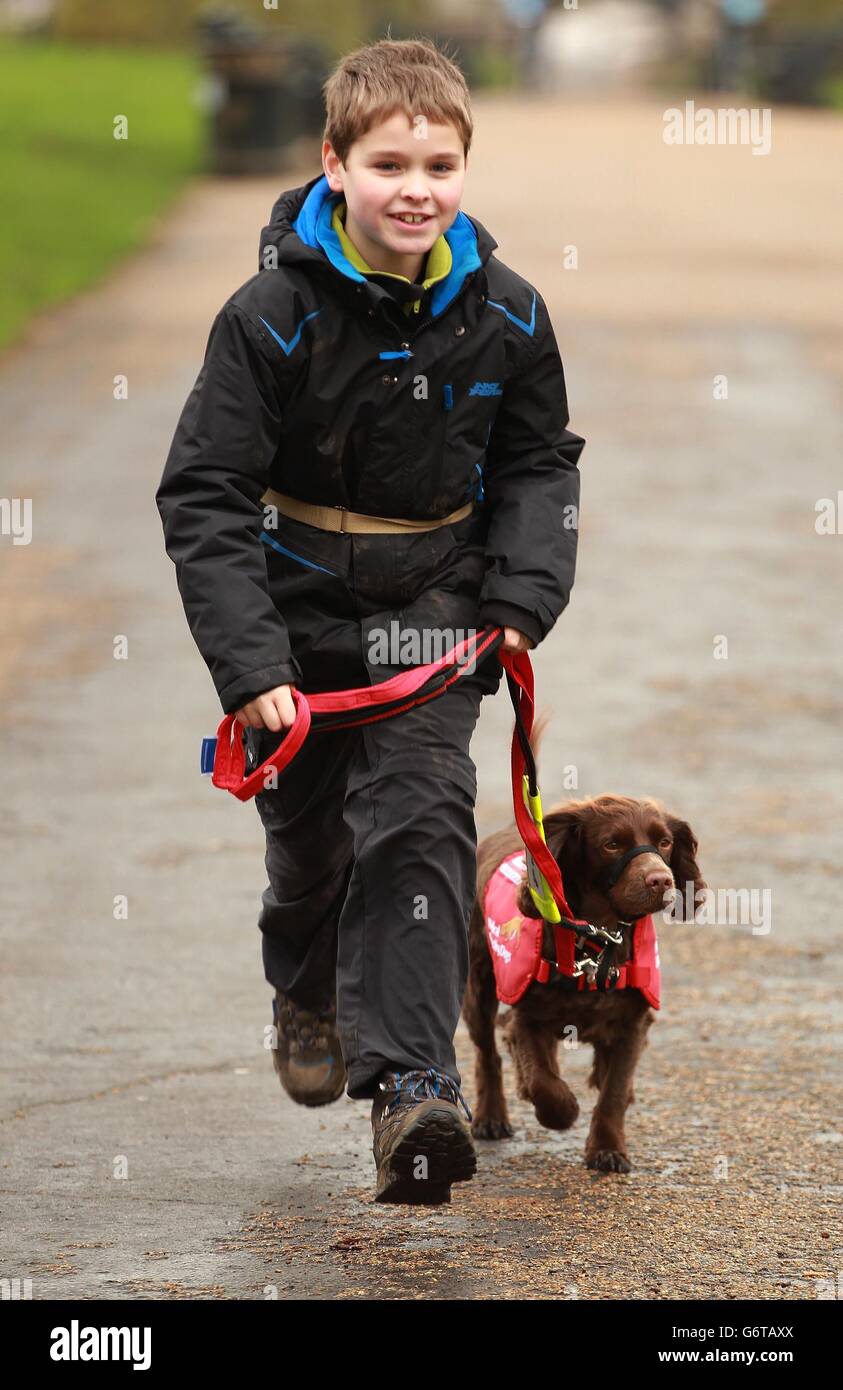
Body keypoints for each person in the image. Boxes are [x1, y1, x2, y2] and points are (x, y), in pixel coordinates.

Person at [155, 35, 585, 1205]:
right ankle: (303, 985)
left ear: (464, 171)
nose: (417, 188)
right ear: (333, 162)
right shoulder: (268, 317)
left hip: (435, 615)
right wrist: (249, 664)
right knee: (314, 852)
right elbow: (202, 491)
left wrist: (518, 597)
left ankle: (412, 1090)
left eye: (440, 165)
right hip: (294, 624)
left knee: (420, 816)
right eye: (390, 161)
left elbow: (541, 463)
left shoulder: (508, 313)